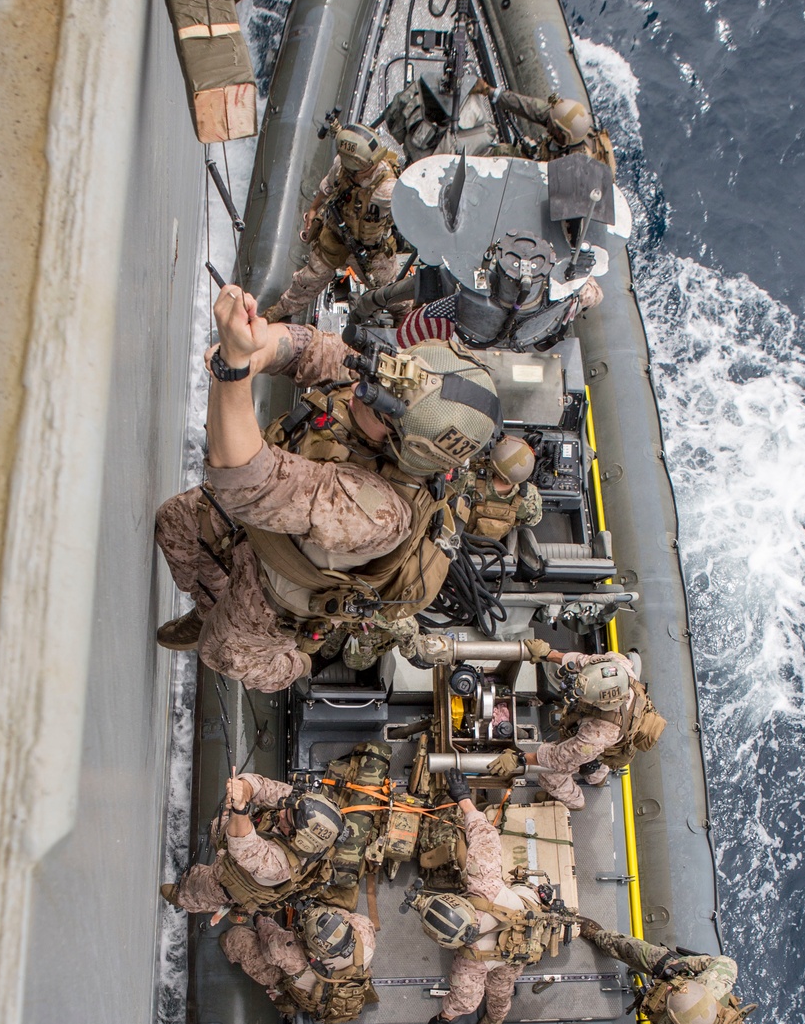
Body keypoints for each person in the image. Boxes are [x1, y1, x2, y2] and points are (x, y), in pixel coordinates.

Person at [153, 283, 502, 691]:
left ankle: (295, 662)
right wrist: (253, 350)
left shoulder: (377, 514)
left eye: (376, 404)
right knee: (175, 522)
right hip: (267, 519)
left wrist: (232, 370)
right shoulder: (392, 381)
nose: (359, 389)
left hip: (275, 587)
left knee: (222, 649)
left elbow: (246, 481)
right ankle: (210, 603)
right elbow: (306, 348)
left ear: (402, 445)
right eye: (374, 380)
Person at [422, 772, 553, 1024]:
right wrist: (464, 799)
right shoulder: (485, 885)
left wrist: (443, 1020)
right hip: (524, 921)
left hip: (507, 954)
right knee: (500, 992)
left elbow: (465, 1002)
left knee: (499, 985)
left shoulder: (468, 963)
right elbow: (486, 836)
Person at [577, 921, 755, 1024]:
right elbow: (727, 962)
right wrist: (681, 966)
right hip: (686, 977)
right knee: (645, 953)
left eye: (672, 994)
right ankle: (600, 937)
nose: (670, 988)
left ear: (673, 1019)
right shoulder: (714, 982)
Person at [263, 123, 407, 322]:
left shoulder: (387, 188)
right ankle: (280, 310)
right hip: (336, 236)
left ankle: (405, 317)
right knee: (309, 279)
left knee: (392, 292)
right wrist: (314, 208)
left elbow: (408, 212)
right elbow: (328, 187)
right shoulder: (342, 166)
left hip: (370, 251)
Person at [161, 771, 346, 915]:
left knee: (198, 887)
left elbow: (242, 845)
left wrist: (240, 810)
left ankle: (182, 896)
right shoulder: (300, 807)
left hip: (228, 881)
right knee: (220, 826)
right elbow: (263, 787)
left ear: (299, 840)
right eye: (286, 809)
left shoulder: (279, 865)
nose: (281, 812)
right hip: (241, 840)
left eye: (287, 819)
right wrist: (244, 789)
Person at [523, 650, 665, 810]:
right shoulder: (616, 667)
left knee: (550, 773)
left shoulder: (599, 733)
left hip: (606, 745)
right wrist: (548, 653)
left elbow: (558, 758)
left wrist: (519, 758)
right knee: (600, 760)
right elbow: (585, 660)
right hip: (616, 738)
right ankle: (597, 778)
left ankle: (574, 801)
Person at [221, 903, 378, 1024]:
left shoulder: (291, 952)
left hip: (303, 990)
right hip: (339, 986)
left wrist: (258, 917)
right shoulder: (363, 929)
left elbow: (268, 936)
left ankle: (288, 998)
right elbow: (344, 915)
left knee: (237, 938)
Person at [472, 78, 615, 169]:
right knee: (501, 151)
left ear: (564, 135)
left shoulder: (576, 164)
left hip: (556, 181)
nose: (550, 126)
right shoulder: (562, 120)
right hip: (545, 159)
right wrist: (489, 91)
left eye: (554, 127)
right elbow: (528, 106)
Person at [463, 436, 543, 540]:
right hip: (499, 540)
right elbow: (534, 520)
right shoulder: (529, 496)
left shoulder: (469, 481)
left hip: (464, 535)